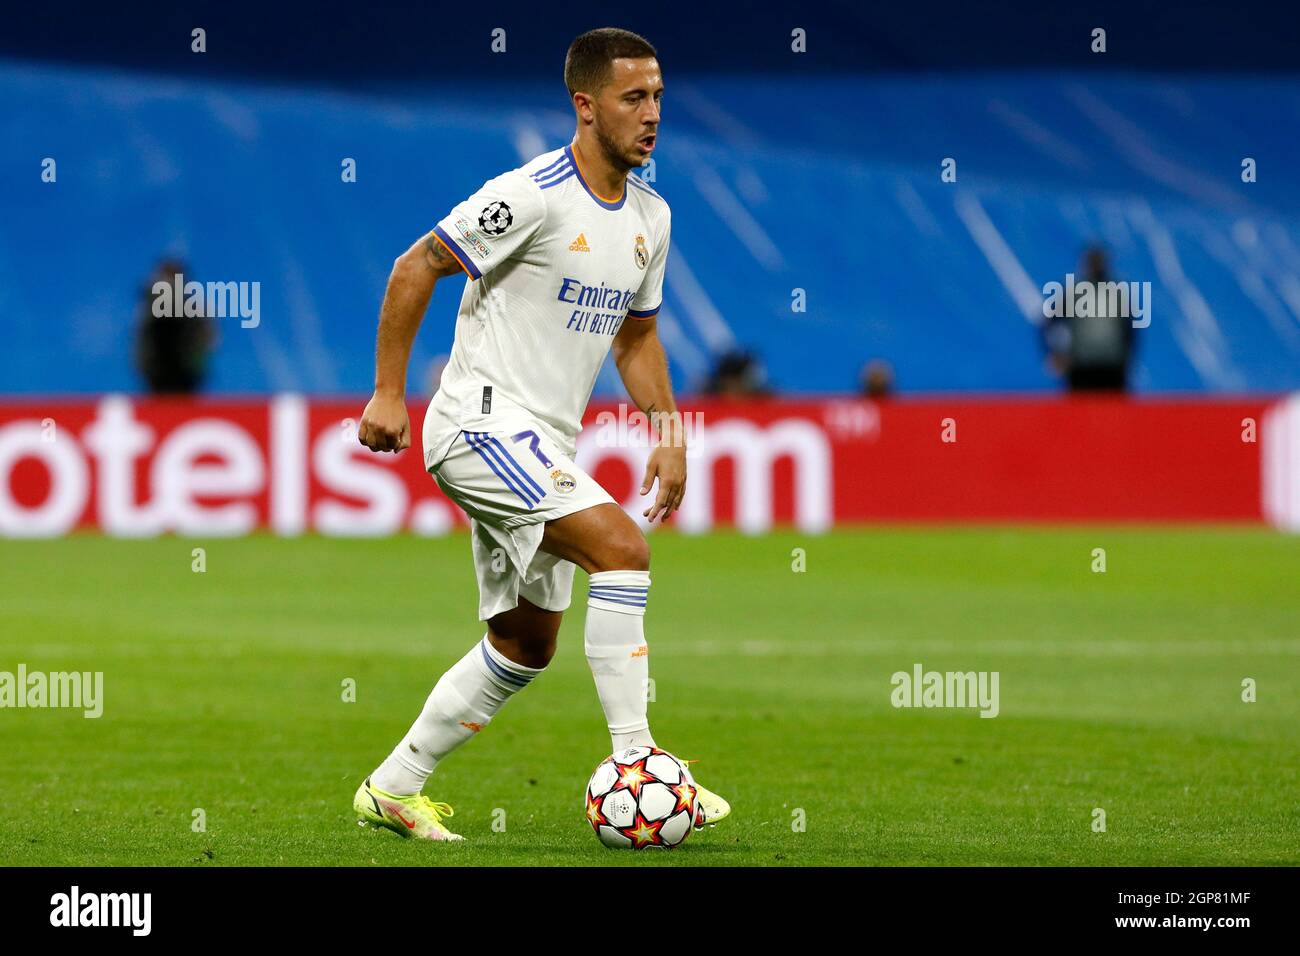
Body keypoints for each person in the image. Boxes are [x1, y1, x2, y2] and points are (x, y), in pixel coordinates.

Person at [352, 27, 730, 842]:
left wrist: (668, 429)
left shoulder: (650, 218)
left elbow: (635, 337)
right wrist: (389, 392)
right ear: (585, 106)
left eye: (659, 96)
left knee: (524, 646)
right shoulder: (530, 195)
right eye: (634, 98)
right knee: (622, 550)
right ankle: (641, 763)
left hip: (542, 445)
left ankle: (393, 787)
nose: (652, 113)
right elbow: (415, 264)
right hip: (478, 423)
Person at [1043, 244, 1134, 392]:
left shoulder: (1115, 295)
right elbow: (1048, 324)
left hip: (1108, 369)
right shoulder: (1077, 294)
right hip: (1085, 368)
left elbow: (1129, 331)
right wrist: (1056, 353)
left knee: (1107, 413)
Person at [135, 258, 215, 394]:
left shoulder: (194, 309)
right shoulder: (149, 309)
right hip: (157, 376)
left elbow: (208, 338)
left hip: (186, 377)